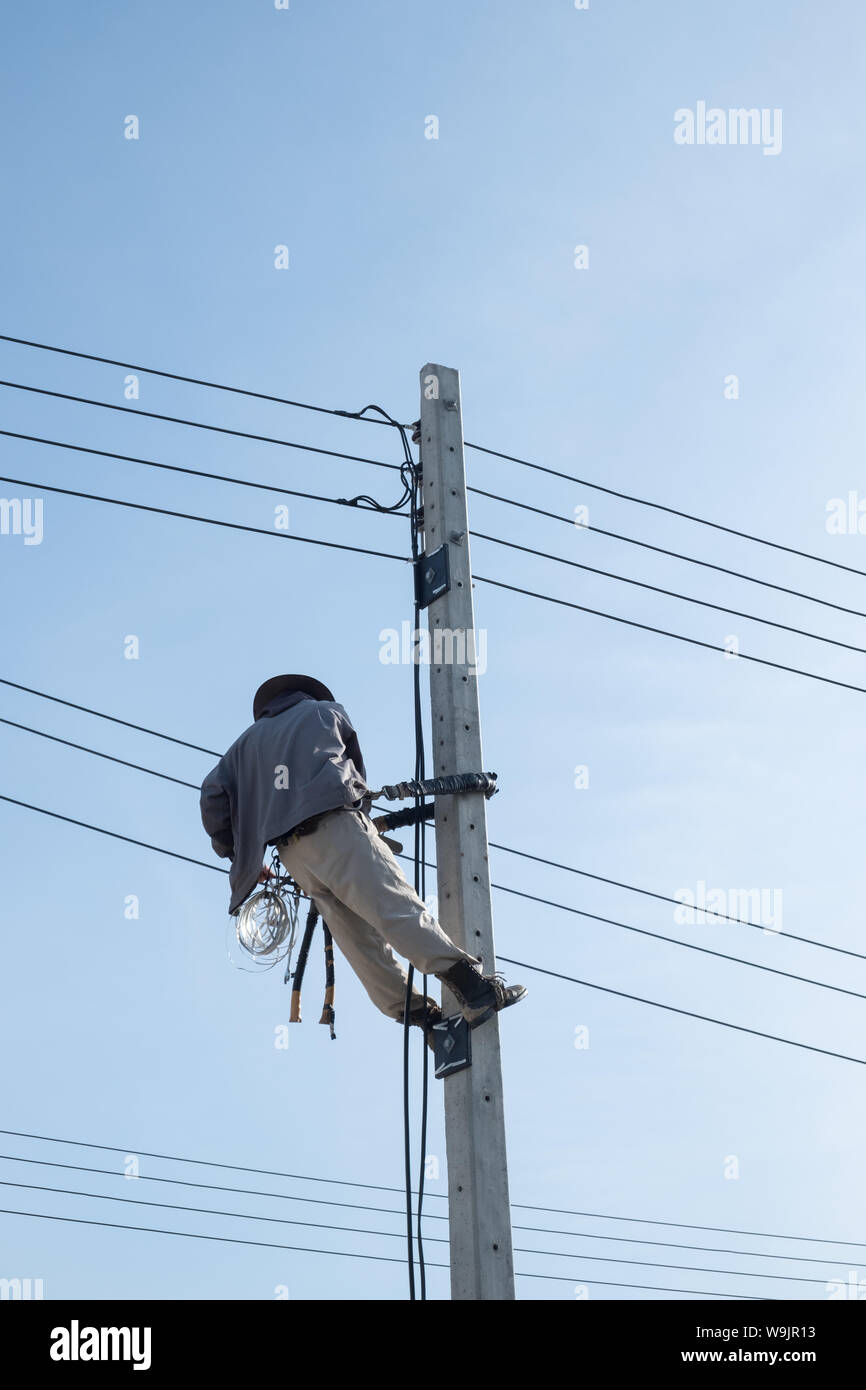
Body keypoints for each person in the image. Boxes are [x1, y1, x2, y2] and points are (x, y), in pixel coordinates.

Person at [199, 674, 526, 1045]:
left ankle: (424, 1019)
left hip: (294, 857)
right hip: (336, 827)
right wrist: (361, 820)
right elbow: (355, 775)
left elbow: (211, 798)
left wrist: (237, 853)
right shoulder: (325, 712)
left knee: (357, 940)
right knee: (394, 907)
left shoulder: (242, 748)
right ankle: (475, 990)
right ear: (305, 695)